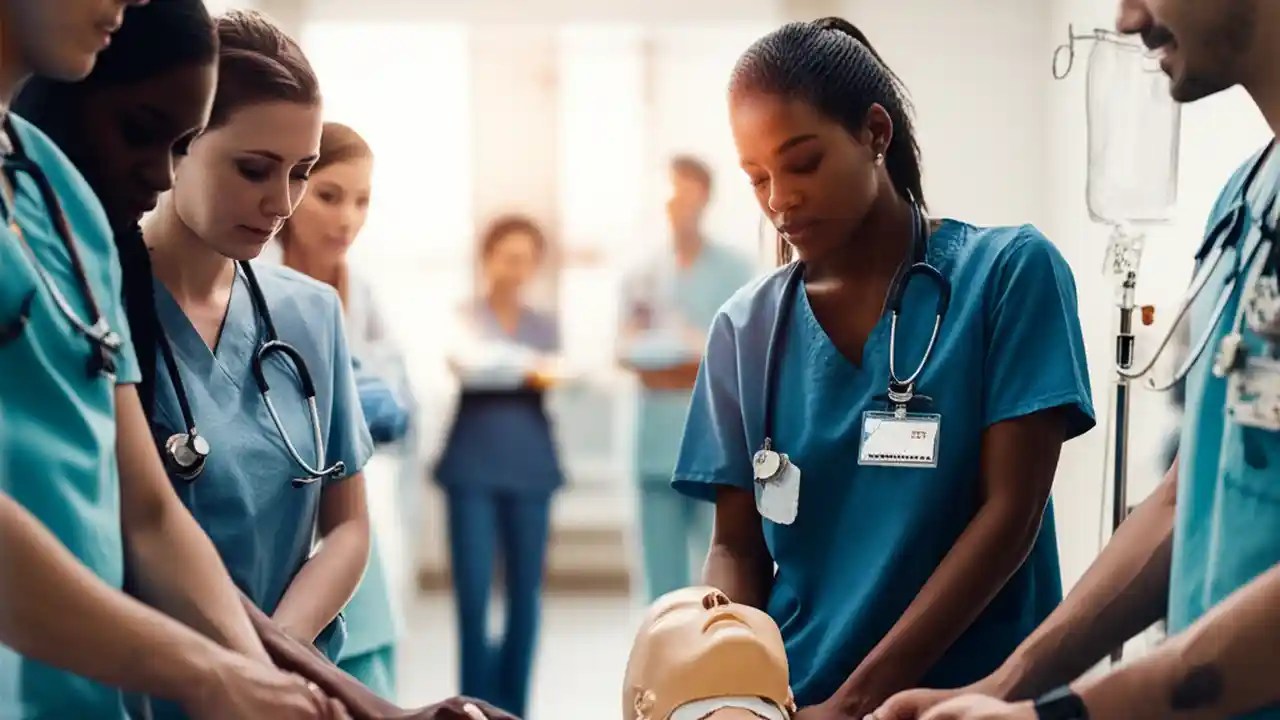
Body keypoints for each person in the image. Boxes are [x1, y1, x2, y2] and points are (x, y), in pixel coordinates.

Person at [12, 7, 517, 720]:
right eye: (254, 169)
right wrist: (247, 675)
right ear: (183, 145)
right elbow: (130, 525)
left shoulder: (305, 312)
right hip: (123, 679)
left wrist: (287, 670)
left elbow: (326, 527)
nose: (283, 203)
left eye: (302, 173)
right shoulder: (97, 276)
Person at [671, 17, 1097, 719]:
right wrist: (731, 688)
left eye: (802, 163)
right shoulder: (744, 331)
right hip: (800, 697)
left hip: (971, 699)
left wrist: (859, 701)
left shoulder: (1009, 276)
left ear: (875, 133)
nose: (780, 200)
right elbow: (737, 549)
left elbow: (1009, 517)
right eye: (757, 179)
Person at [871, 1, 1280, 719]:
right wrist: (999, 689)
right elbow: (1183, 501)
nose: (1126, 20)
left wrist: (1059, 714)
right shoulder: (1245, 199)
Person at [0, 1, 348, 718]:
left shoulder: (60, 199)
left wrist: (271, 689)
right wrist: (211, 676)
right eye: (254, 167)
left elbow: (148, 510)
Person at [278, 121, 410, 702]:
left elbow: (397, 405)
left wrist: (371, 401)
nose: (347, 219)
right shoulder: (252, 281)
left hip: (350, 514)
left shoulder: (362, 290)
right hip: (282, 519)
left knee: (367, 670)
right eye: (329, 196)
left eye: (362, 201)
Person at [434, 214, 565, 718]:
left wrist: (503, 366)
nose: (516, 269)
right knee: (472, 596)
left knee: (525, 599)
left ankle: (514, 709)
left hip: (532, 467)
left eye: (526, 259)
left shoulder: (544, 324)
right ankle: (474, 707)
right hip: (470, 468)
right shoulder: (462, 314)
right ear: (487, 258)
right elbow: (464, 367)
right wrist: (523, 368)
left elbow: (554, 374)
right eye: (507, 256)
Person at [617, 155, 756, 601]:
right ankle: (664, 665)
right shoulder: (641, 273)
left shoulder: (734, 270)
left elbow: (735, 353)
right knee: (659, 581)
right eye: (670, 190)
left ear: (706, 197)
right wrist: (689, 353)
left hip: (714, 440)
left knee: (722, 572)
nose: (678, 201)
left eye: (687, 190)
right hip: (655, 442)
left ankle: (715, 664)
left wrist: (675, 357)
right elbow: (626, 353)